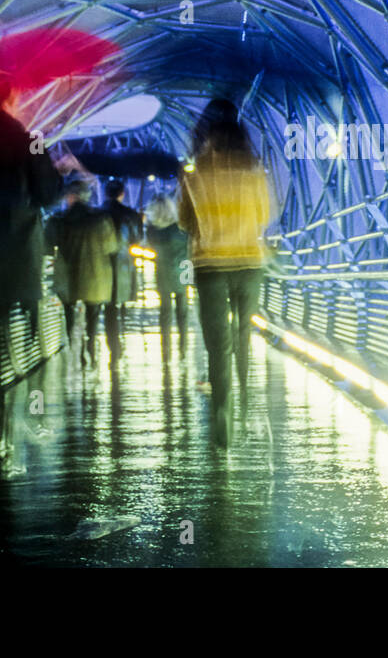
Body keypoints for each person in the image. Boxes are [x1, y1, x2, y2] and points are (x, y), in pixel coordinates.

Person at [0, 83, 60, 461]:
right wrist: (56, 171)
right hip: (24, 248)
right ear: (9, 101)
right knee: (33, 341)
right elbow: (48, 192)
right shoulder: (30, 138)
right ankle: (31, 419)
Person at [179, 98, 272, 447]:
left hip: (210, 264)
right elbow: (264, 215)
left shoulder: (195, 172)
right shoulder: (255, 170)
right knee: (243, 335)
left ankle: (222, 412)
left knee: (218, 345)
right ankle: (246, 402)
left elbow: (184, 221)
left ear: (208, 139)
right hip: (249, 262)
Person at [46, 178, 119, 368]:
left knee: (68, 314)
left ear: (70, 197)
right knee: (92, 316)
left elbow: (46, 246)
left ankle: (73, 347)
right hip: (95, 277)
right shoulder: (101, 219)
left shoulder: (58, 221)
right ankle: (90, 348)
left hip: (67, 278)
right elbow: (112, 247)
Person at [145, 194, 189, 355]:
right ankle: (183, 347)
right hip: (183, 270)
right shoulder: (181, 228)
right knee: (182, 312)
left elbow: (150, 245)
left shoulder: (153, 231)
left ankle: (166, 349)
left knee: (165, 312)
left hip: (163, 271)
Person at [103, 180, 142, 360]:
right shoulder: (131, 215)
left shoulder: (98, 213)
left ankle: (113, 347)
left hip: (103, 263)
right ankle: (122, 336)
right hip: (125, 263)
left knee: (109, 306)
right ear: (122, 193)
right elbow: (138, 239)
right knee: (122, 300)